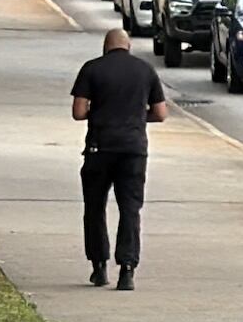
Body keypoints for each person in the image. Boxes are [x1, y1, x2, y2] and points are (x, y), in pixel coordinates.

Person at [70, 28, 169, 291]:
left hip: (99, 148)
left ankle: (99, 267)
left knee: (94, 208)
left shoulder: (92, 68)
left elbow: (79, 112)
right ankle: (127, 270)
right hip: (133, 150)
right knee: (130, 209)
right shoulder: (145, 70)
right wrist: (136, 117)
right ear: (129, 46)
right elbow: (160, 113)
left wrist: (101, 111)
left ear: (106, 46)